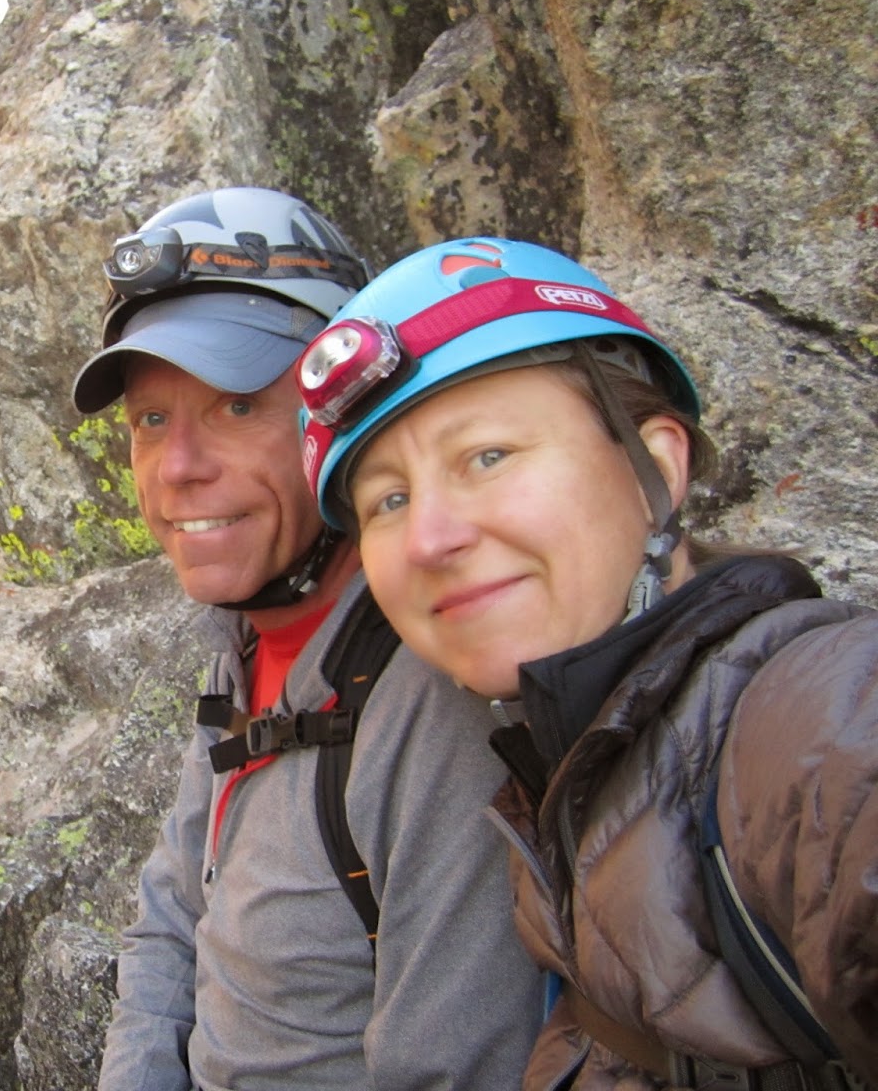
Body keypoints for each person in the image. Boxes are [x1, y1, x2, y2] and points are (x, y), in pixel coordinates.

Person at [297, 235, 878, 1089]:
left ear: (658, 466)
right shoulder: (580, 779)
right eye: (389, 499)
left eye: (488, 456)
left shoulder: (817, 731)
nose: (428, 539)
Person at [72, 188, 540, 1091]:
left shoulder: (436, 705)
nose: (177, 469)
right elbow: (172, 912)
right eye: (150, 420)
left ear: (337, 419)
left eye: (238, 404)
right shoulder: (243, 645)